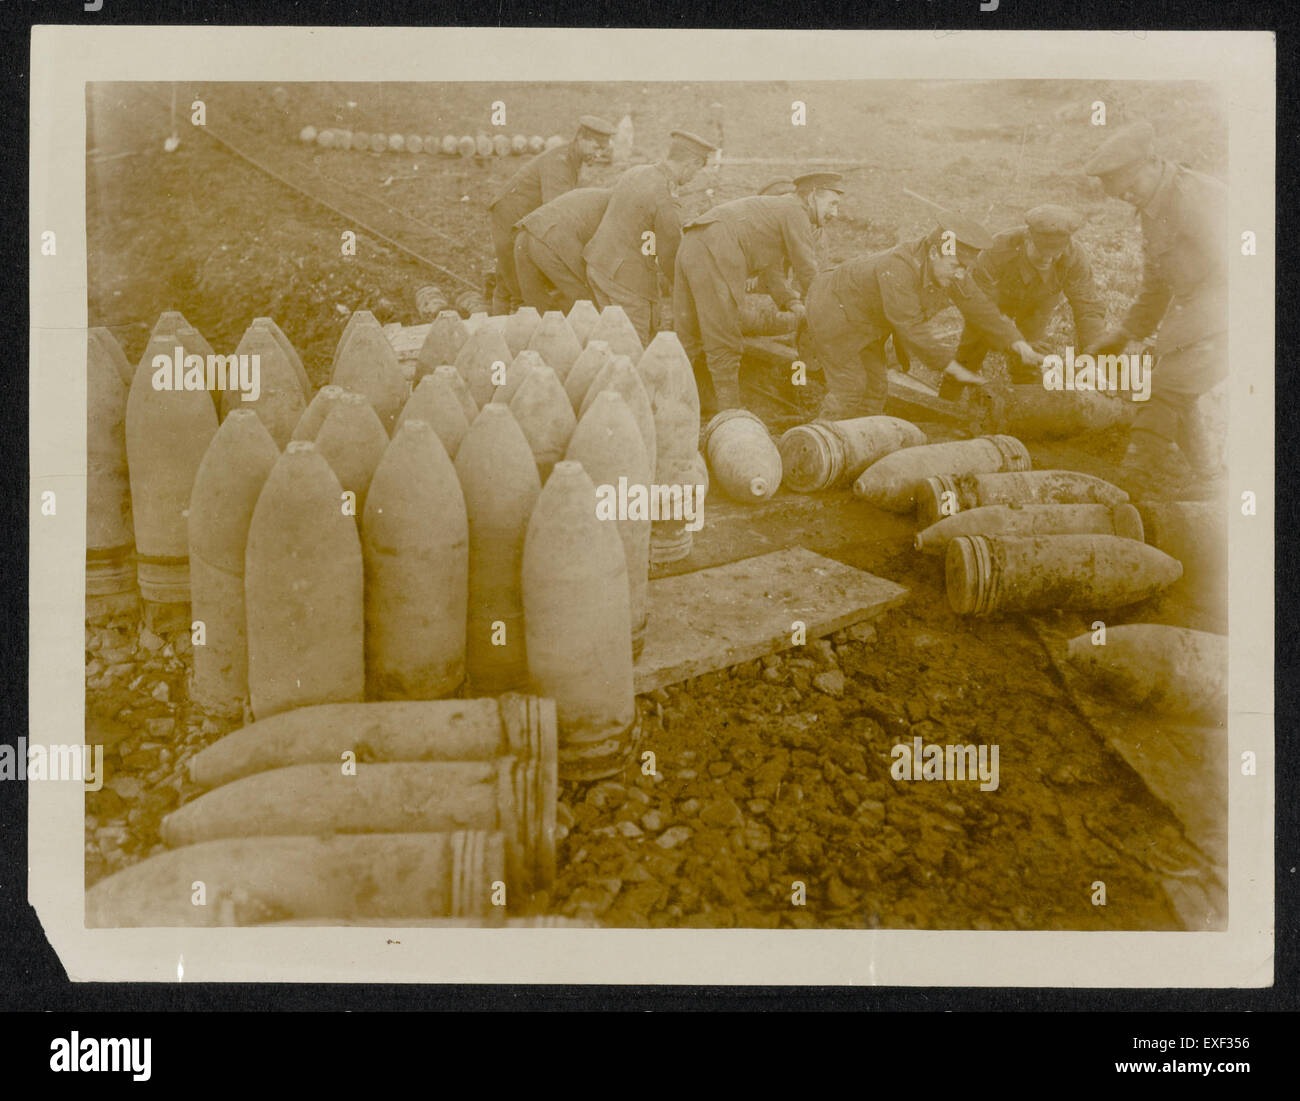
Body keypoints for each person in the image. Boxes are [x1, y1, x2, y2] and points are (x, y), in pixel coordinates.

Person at [1083, 120, 1227, 488]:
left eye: (1131, 187)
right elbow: (1157, 285)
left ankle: (1134, 479)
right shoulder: (1154, 205)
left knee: (1169, 383)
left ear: (1152, 164)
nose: (1129, 196)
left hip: (1235, 299)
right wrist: (1124, 334)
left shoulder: (1198, 197)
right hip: (1198, 302)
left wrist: (1205, 329)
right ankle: (1207, 475)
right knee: (1173, 379)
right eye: (1121, 195)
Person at [805, 210, 1043, 420]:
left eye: (965, 269)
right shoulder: (898, 267)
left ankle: (861, 444)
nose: (960, 275)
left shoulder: (952, 268)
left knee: (876, 389)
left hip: (866, 320)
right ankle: (817, 442)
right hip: (832, 310)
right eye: (955, 266)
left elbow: (980, 307)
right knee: (850, 389)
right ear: (933, 254)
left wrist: (1018, 344)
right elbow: (912, 329)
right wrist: (953, 368)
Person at [674, 171, 841, 414]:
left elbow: (772, 273)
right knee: (724, 340)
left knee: (687, 337)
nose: (835, 213)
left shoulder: (776, 211)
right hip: (717, 247)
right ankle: (730, 414)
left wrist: (793, 303)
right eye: (832, 203)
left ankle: (672, 404)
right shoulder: (796, 212)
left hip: (692, 242)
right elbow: (808, 270)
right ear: (813, 195)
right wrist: (824, 312)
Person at [947, 203, 1106, 395]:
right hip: (995, 303)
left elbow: (1088, 308)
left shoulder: (1074, 257)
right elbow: (980, 305)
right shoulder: (998, 248)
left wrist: (1094, 358)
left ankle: (1024, 409)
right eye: (1042, 253)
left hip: (1039, 304)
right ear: (1028, 238)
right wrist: (1012, 340)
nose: (1048, 260)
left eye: (1055, 255)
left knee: (1030, 359)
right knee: (972, 347)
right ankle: (947, 401)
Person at [582, 129, 718, 344]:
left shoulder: (637, 172)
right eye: (697, 170)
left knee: (609, 340)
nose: (693, 178)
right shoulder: (665, 198)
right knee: (634, 347)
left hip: (599, 265)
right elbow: (670, 255)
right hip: (625, 280)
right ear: (690, 163)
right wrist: (688, 289)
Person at [486, 115, 616, 313]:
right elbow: (556, 212)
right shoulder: (559, 162)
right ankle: (505, 334)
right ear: (581, 138)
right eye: (596, 147)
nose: (598, 154)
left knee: (509, 282)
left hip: (523, 218)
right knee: (515, 288)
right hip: (511, 215)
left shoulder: (570, 159)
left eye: (603, 149)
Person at [513, 187, 612, 313]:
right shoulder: (615, 206)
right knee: (585, 303)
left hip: (525, 232)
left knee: (536, 310)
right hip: (551, 238)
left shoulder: (596, 195)